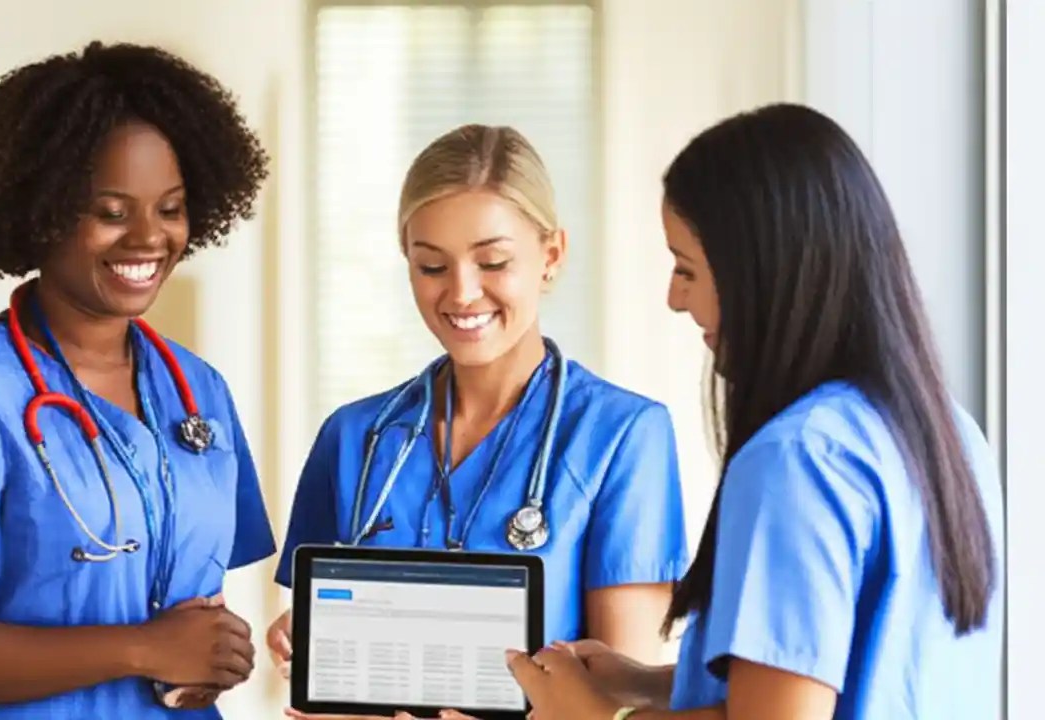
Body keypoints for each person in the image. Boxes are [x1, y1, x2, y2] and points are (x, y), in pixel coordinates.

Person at [503, 103, 1005, 719]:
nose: (674, 298)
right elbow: (845, 676)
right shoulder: (946, 434)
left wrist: (600, 718)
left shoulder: (796, 459)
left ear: (758, 272)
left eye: (686, 268)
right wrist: (644, 683)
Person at [0, 41, 275, 719]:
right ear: (43, 210)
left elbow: (184, 600)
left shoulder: (197, 390)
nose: (148, 238)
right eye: (111, 212)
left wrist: (210, 652)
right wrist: (143, 648)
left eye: (170, 208)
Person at [269, 124, 691, 719]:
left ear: (551, 256)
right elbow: (322, 670)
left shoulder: (623, 436)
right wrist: (311, 646)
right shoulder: (354, 438)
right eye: (431, 267)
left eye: (492, 261)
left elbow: (619, 703)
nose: (462, 294)